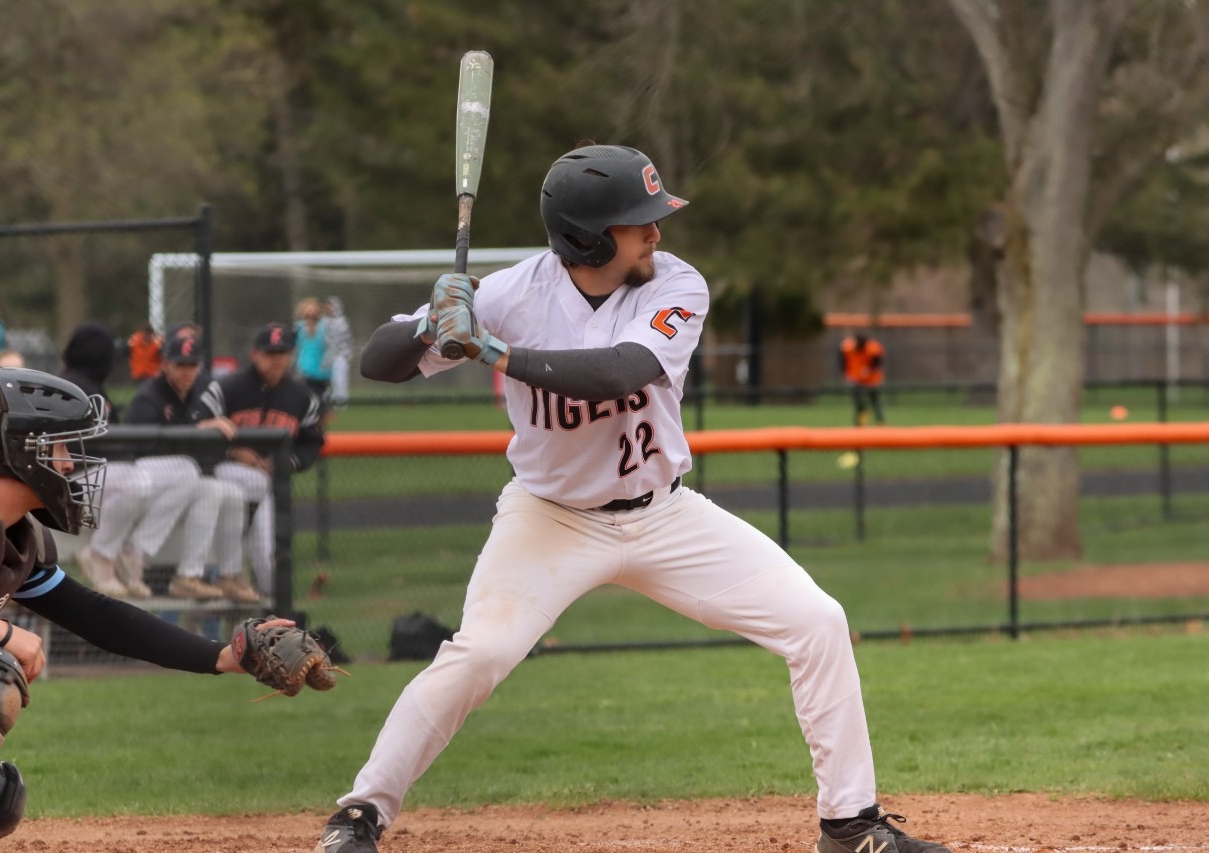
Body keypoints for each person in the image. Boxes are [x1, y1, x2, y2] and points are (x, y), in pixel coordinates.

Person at [314, 145, 950, 853]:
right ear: (587, 239)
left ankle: (850, 824)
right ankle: (359, 815)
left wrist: (490, 351)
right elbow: (378, 361)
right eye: (637, 221)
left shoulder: (676, 284)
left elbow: (623, 371)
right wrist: (429, 326)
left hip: (665, 515)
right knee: (480, 652)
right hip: (549, 518)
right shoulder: (512, 293)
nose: (655, 231)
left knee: (817, 620)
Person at [0, 365, 298, 850]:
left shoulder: (15, 537)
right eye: (60, 448)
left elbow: (99, 617)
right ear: (21, 448)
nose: (70, 464)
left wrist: (220, 656)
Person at [59, 322, 199, 599]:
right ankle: (99, 554)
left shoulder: (93, 385)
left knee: (186, 471)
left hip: (108, 473)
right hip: (73, 481)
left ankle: (132, 552)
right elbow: (78, 447)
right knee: (135, 481)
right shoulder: (71, 386)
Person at [124, 335, 260, 603]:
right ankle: (136, 550)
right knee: (187, 469)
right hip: (140, 477)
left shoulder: (200, 393)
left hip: (181, 481)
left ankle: (205, 575)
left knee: (228, 492)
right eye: (180, 364)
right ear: (166, 364)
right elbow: (139, 447)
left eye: (192, 365)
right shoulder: (148, 397)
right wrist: (198, 430)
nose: (187, 371)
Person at [200, 323, 325, 597]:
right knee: (212, 562)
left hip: (268, 489)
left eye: (283, 352)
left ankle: (270, 625)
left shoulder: (301, 397)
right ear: (255, 354)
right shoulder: (226, 389)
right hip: (224, 479)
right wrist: (231, 452)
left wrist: (286, 463)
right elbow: (197, 432)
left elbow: (312, 443)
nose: (278, 359)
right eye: (271, 352)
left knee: (269, 561)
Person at [839, 332, 886, 426]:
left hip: (872, 379)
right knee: (858, 402)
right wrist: (846, 373)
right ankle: (860, 423)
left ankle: (881, 422)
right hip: (857, 378)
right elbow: (842, 360)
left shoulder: (873, 348)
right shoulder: (848, 347)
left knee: (875, 400)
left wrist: (870, 369)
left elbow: (878, 362)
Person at [294, 298, 332, 407]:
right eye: (307, 312)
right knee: (305, 401)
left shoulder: (323, 328)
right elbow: (295, 348)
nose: (310, 315)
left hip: (321, 372)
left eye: (312, 311)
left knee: (320, 401)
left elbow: (329, 348)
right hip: (304, 371)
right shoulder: (299, 328)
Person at [324, 297, 355, 409]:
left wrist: (346, 355)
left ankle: (341, 404)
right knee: (327, 381)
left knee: (340, 380)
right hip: (327, 357)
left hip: (340, 356)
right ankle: (328, 403)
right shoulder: (324, 322)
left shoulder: (342, 322)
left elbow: (347, 340)